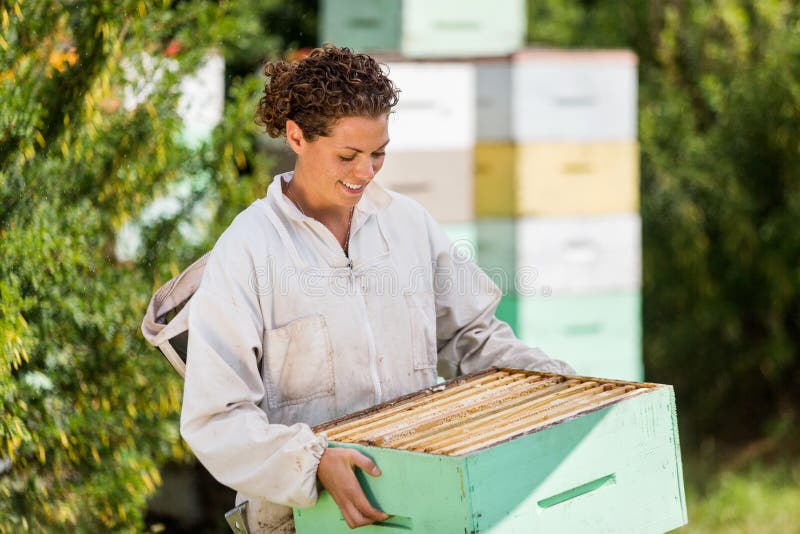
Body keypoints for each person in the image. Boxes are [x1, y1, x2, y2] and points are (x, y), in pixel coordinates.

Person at [179, 45, 574, 533]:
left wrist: (560, 385)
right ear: (296, 136)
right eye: (348, 155)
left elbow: (473, 336)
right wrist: (312, 462)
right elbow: (216, 419)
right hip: (298, 517)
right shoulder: (247, 250)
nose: (366, 172)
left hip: (418, 503)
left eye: (378, 154)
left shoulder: (406, 223)